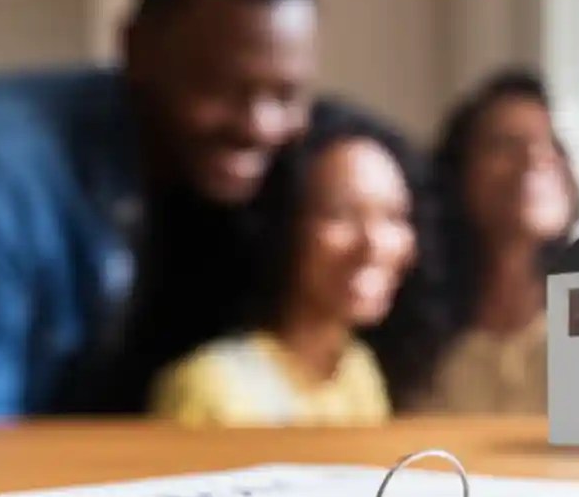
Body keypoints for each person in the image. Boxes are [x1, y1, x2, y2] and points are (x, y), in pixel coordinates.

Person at [0, 0, 318, 418]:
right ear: (135, 48)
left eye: (287, 94)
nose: (260, 126)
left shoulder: (315, 163)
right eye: (220, 89)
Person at [150, 105, 446, 425]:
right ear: (284, 225)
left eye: (394, 217)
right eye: (341, 214)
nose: (374, 244)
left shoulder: (358, 369)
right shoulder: (210, 388)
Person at [424, 69, 579, 414]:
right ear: (459, 173)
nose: (533, 160)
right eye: (504, 145)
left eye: (549, 143)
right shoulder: (421, 339)